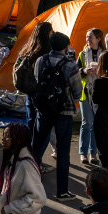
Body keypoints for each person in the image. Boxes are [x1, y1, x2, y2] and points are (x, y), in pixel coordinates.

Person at [31, 31, 82, 200]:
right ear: (66, 46)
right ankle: (62, 191)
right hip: (63, 111)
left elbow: (37, 80)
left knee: (36, 147)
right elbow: (77, 91)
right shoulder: (70, 65)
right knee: (63, 151)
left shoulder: (41, 60)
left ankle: (30, 184)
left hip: (43, 109)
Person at [12, 22, 53, 147]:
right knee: (43, 125)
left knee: (31, 120)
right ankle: (36, 153)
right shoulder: (48, 52)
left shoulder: (28, 50)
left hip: (29, 90)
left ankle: (28, 147)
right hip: (42, 93)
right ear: (48, 33)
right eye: (51, 31)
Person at [76, 29, 104, 165]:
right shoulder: (82, 54)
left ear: (98, 39)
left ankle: (93, 153)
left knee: (96, 123)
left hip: (99, 92)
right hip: (86, 92)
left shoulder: (104, 54)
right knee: (87, 122)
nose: (88, 39)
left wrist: (100, 71)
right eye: (87, 37)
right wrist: (84, 70)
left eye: (90, 37)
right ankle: (83, 153)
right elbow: (76, 70)